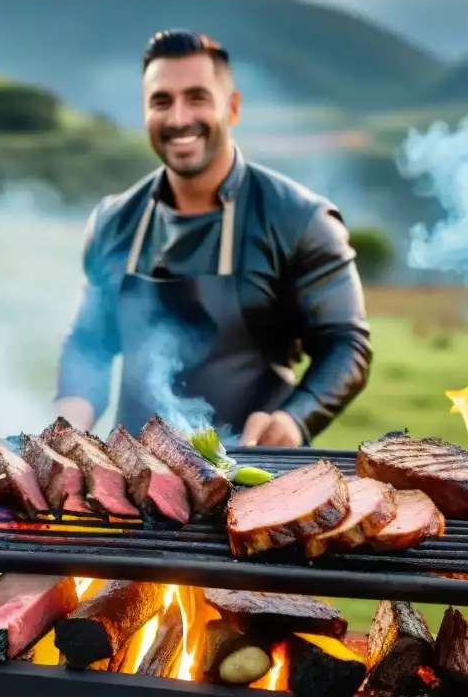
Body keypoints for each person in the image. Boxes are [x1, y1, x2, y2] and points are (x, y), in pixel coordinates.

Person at [54, 30, 372, 447]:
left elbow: (346, 344)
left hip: (258, 470)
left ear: (233, 107)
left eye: (197, 97)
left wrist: (294, 420)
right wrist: (66, 424)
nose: (179, 118)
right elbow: (90, 342)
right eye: (161, 101)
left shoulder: (300, 218)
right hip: (134, 475)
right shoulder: (114, 221)